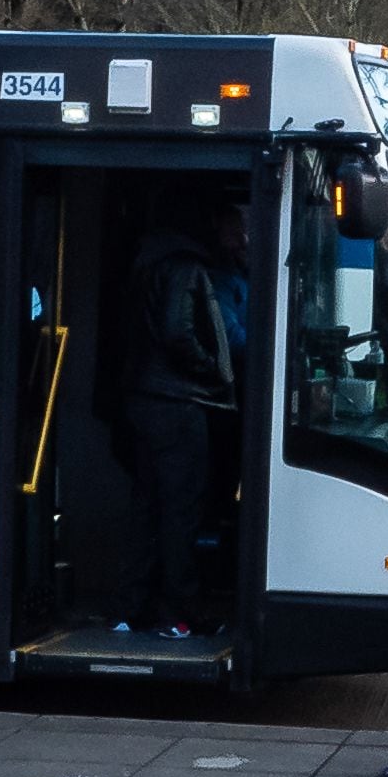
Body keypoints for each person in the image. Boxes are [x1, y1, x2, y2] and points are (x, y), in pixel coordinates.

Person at [117, 202, 244, 637]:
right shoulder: (188, 268)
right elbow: (178, 331)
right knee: (181, 511)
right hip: (177, 402)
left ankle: (131, 607)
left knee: (147, 507)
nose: (243, 235)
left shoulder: (148, 262)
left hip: (144, 399)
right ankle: (180, 611)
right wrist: (212, 367)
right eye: (233, 224)